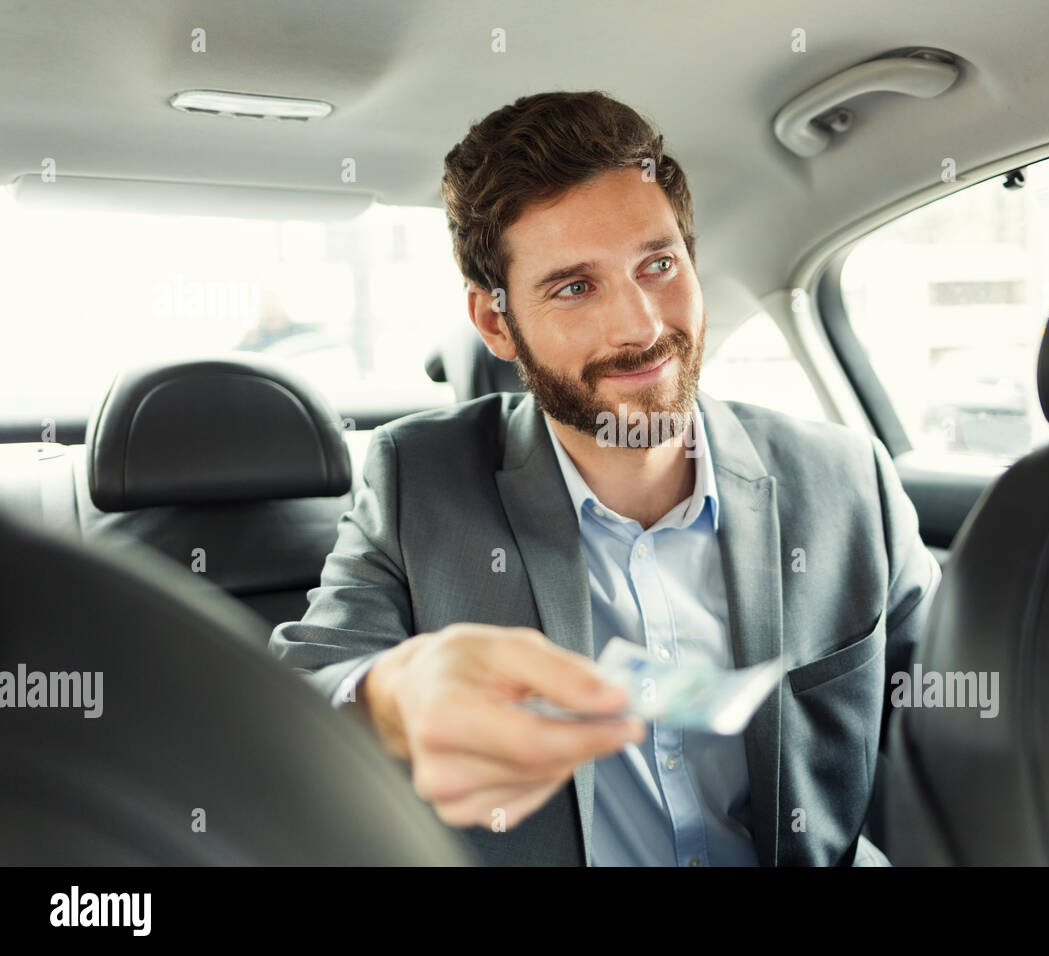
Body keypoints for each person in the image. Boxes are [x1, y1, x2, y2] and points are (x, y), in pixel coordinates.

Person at [269, 90, 940, 867]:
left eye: (658, 264)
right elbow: (294, 708)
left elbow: (965, 722)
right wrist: (389, 698)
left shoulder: (844, 479)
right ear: (496, 323)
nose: (643, 328)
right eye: (575, 287)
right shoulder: (418, 480)